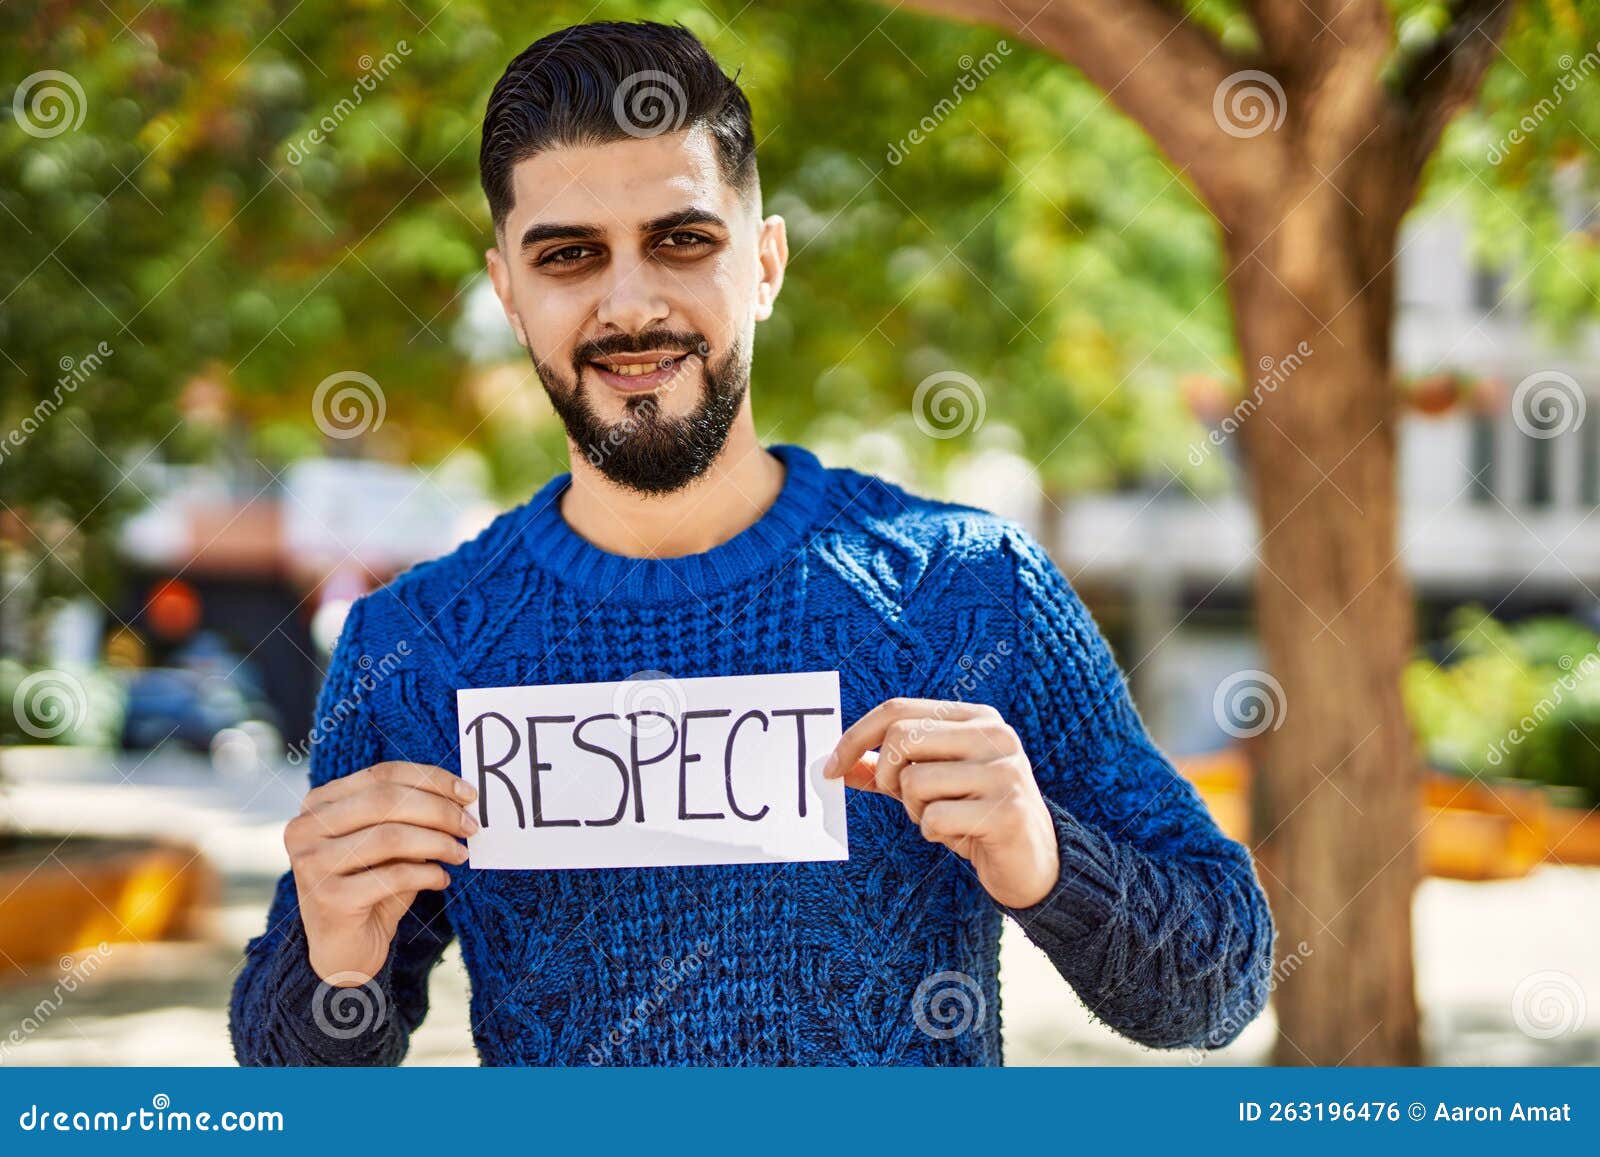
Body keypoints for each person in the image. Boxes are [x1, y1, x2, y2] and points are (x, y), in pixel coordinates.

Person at [230, 19, 1274, 1066]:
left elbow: (1217, 987)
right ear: (507, 291)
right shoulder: (415, 644)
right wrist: (331, 961)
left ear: (764, 263)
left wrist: (1049, 858)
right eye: (568, 255)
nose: (629, 302)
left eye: (682, 240)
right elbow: (297, 1084)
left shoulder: (969, 589)